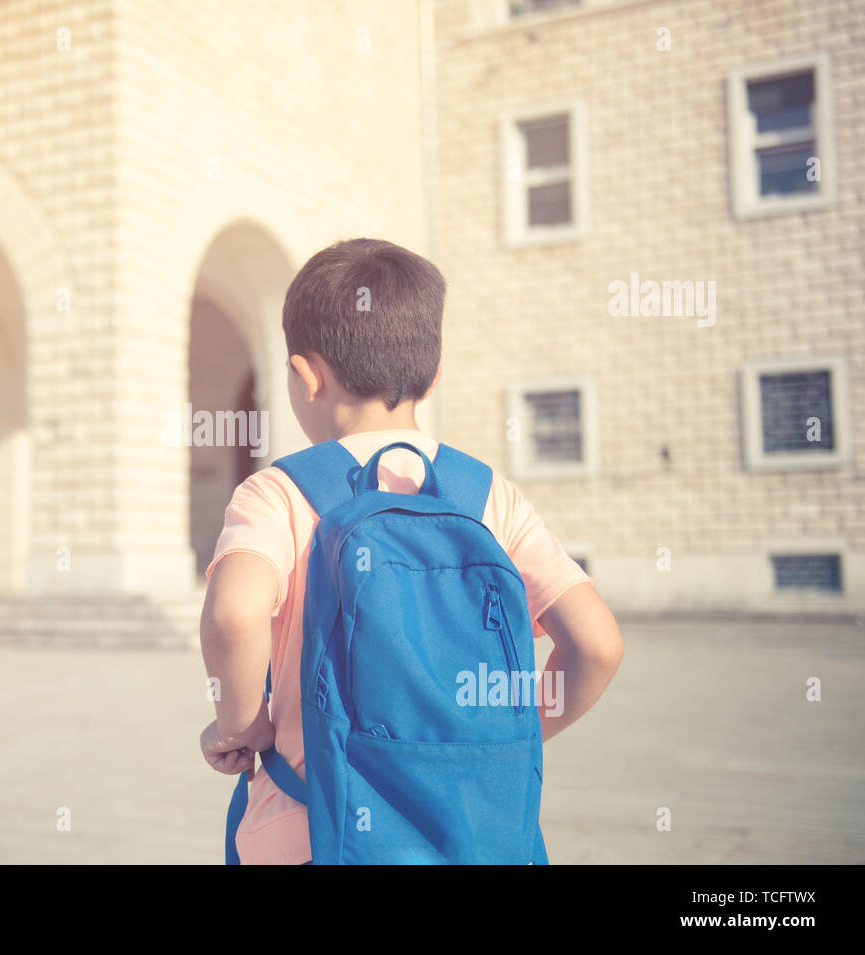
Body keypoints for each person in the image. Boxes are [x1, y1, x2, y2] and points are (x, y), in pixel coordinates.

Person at [198, 238, 624, 864]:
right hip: (471, 835)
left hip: (311, 831)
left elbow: (234, 614)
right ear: (432, 377)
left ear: (304, 375)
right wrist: (505, 736)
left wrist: (241, 725)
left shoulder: (279, 492)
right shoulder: (488, 496)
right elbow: (598, 645)